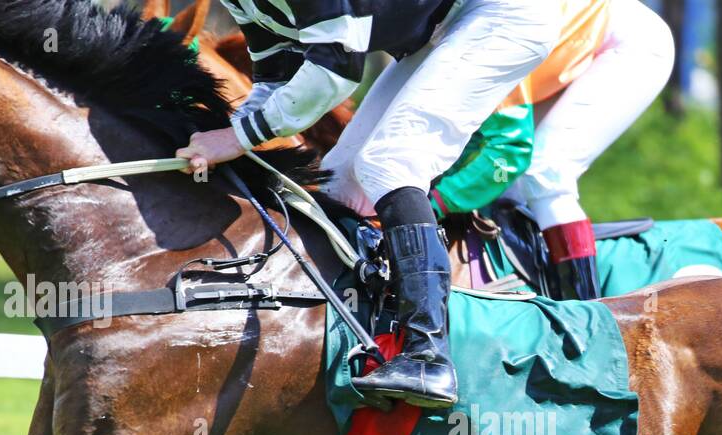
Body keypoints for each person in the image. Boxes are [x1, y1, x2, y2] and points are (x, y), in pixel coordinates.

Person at [178, 1, 561, 408]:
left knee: (391, 162)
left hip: (503, 13)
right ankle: (365, 325)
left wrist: (237, 139)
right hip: (445, 23)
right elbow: (278, 77)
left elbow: (335, 74)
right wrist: (233, 134)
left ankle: (428, 356)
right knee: (340, 179)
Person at [422, 0, 675, 300]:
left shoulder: (485, 38)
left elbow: (511, 152)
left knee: (546, 172)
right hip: (562, 48)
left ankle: (584, 312)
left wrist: (431, 203)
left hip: (628, 45)